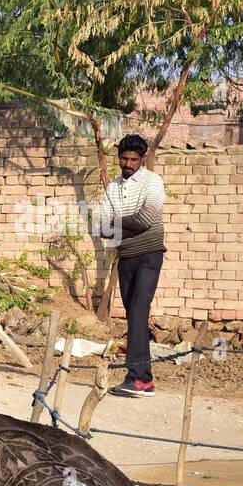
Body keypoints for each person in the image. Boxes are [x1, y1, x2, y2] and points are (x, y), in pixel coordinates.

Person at [99, 133, 166, 397]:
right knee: (132, 316)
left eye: (134, 159)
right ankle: (139, 378)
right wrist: (125, 223)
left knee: (138, 312)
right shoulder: (113, 187)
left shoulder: (153, 182)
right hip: (126, 258)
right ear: (119, 158)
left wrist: (118, 221)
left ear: (142, 159)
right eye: (124, 159)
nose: (128, 164)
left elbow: (148, 218)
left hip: (150, 255)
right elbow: (103, 228)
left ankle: (141, 379)